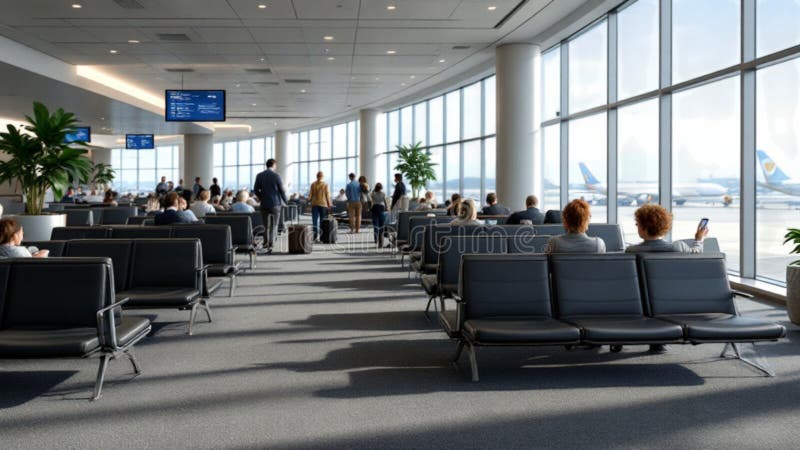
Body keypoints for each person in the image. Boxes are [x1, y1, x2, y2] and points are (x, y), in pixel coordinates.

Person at [625, 203, 707, 254]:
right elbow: (697, 253)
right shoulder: (678, 247)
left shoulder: (632, 250)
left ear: (644, 228)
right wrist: (699, 239)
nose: (636, 226)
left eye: (637, 224)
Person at [253, 158, 289, 253]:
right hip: (275, 204)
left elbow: (255, 190)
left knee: (266, 225)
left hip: (264, 204)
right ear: (274, 165)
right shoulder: (276, 176)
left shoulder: (259, 175)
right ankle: (271, 244)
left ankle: (265, 242)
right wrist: (286, 202)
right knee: (274, 224)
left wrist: (261, 198)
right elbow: (282, 191)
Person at [308, 171, 332, 242]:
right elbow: (327, 195)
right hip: (323, 204)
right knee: (322, 221)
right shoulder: (325, 184)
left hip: (314, 204)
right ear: (322, 176)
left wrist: (308, 200)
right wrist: (329, 204)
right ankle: (322, 237)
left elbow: (310, 195)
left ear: (317, 176)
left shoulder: (313, 184)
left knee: (314, 221)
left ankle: (315, 237)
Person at [370, 182, 389, 247]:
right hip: (381, 208)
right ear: (381, 188)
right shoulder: (383, 194)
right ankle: (381, 240)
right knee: (381, 225)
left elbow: (371, 200)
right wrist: (387, 208)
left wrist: (374, 190)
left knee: (375, 224)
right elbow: (385, 202)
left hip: (375, 208)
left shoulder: (373, 194)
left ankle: (376, 239)